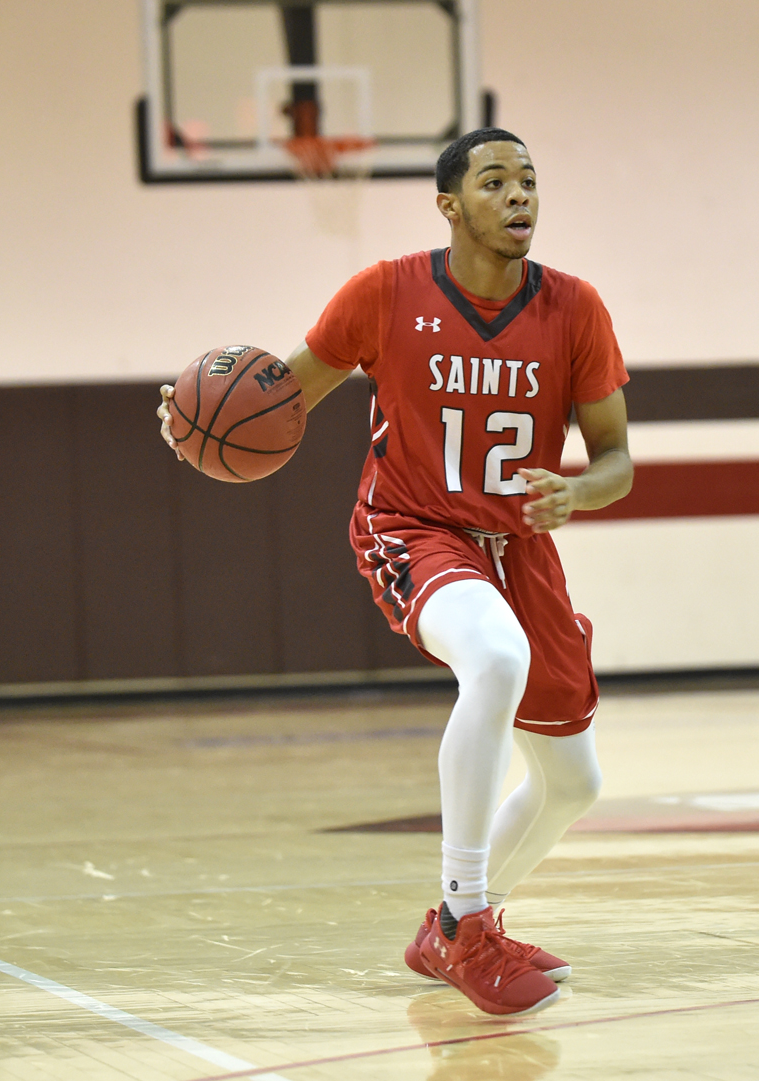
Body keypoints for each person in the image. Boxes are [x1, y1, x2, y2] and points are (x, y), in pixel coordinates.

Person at [162, 128, 633, 1016]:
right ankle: (466, 923)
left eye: (529, 180)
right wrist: (192, 415)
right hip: (412, 526)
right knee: (493, 658)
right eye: (496, 182)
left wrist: (578, 493)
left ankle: (456, 923)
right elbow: (281, 394)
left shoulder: (577, 309)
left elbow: (616, 457)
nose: (520, 195)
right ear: (451, 205)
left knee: (575, 781)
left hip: (520, 544)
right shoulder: (385, 293)